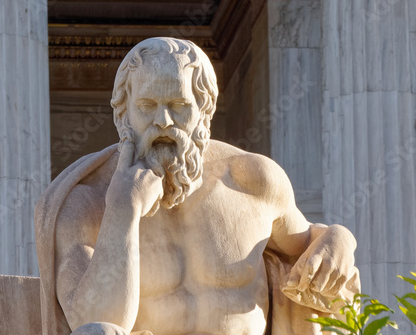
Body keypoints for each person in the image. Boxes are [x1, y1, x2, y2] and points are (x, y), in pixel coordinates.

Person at [36, 38, 360, 335]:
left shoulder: (253, 179)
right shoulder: (85, 202)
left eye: (179, 105)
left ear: (204, 111)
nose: (163, 120)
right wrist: (123, 209)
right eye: (147, 106)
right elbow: (95, 323)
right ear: (123, 113)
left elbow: (305, 243)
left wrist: (339, 238)